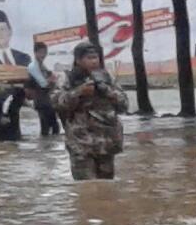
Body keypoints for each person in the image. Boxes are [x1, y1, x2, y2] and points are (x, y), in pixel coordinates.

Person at [53, 40, 125, 180]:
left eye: (96, 57)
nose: (94, 61)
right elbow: (56, 103)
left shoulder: (107, 77)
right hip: (81, 144)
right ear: (78, 60)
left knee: (106, 188)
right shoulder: (67, 79)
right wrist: (79, 92)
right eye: (89, 58)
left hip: (106, 144)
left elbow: (124, 104)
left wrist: (107, 91)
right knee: (86, 187)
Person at [24, 43, 59, 136]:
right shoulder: (33, 67)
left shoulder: (43, 67)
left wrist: (53, 81)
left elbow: (51, 85)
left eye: (44, 52)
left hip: (47, 99)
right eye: (40, 52)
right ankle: (44, 143)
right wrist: (51, 80)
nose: (43, 55)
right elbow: (43, 84)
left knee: (54, 127)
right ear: (35, 53)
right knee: (46, 128)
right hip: (40, 100)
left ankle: (48, 143)